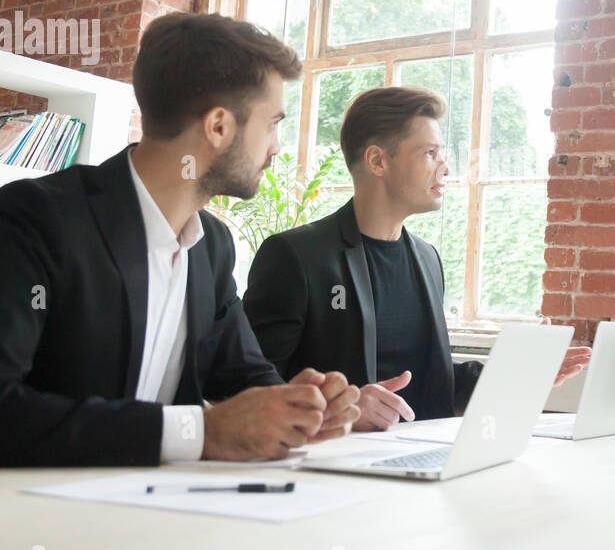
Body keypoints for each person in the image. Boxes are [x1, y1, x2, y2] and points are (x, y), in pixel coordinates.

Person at [0, 13, 360, 466]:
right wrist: (200, 431)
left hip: (152, 513)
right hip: (23, 517)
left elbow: (243, 376)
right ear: (218, 127)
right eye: (272, 123)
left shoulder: (211, 246)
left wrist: (306, 407)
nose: (276, 147)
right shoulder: (35, 219)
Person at [243, 85, 589, 432]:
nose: (445, 167)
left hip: (424, 463)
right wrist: (340, 410)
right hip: (334, 469)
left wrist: (521, 373)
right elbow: (248, 389)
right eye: (430, 153)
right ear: (377, 160)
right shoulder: (295, 256)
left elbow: (435, 382)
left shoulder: (428, 259)